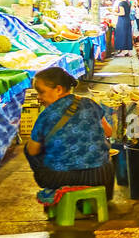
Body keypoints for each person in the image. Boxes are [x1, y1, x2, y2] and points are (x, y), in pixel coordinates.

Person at [26, 67, 115, 203]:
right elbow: (109, 132)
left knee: (28, 148)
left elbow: (32, 151)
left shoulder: (46, 115)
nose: (38, 97)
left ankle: (55, 189)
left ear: (58, 89)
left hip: (61, 177)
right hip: (100, 175)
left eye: (41, 92)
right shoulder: (90, 103)